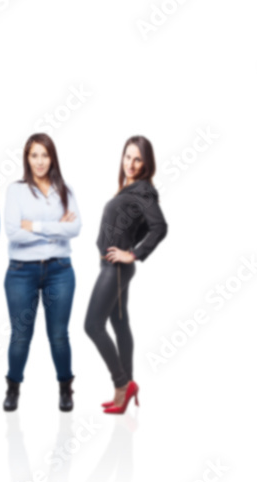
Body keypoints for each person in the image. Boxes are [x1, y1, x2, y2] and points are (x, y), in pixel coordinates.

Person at [86, 135, 167, 415]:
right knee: (119, 323)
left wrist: (131, 253)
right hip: (111, 267)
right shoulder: (130, 189)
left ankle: (122, 384)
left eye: (137, 159)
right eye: (127, 157)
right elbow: (144, 225)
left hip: (117, 268)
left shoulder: (143, 191)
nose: (130, 164)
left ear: (146, 163)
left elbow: (159, 227)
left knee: (92, 326)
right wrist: (131, 242)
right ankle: (126, 389)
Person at [1, 133, 81, 412]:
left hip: (60, 270)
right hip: (21, 271)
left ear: (52, 158)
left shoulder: (65, 190)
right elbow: (12, 232)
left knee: (59, 334)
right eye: (34, 155)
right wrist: (54, 228)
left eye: (44, 155)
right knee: (21, 334)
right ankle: (13, 387)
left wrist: (33, 226)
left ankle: (65, 388)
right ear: (27, 158)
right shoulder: (16, 190)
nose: (39, 161)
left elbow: (75, 229)